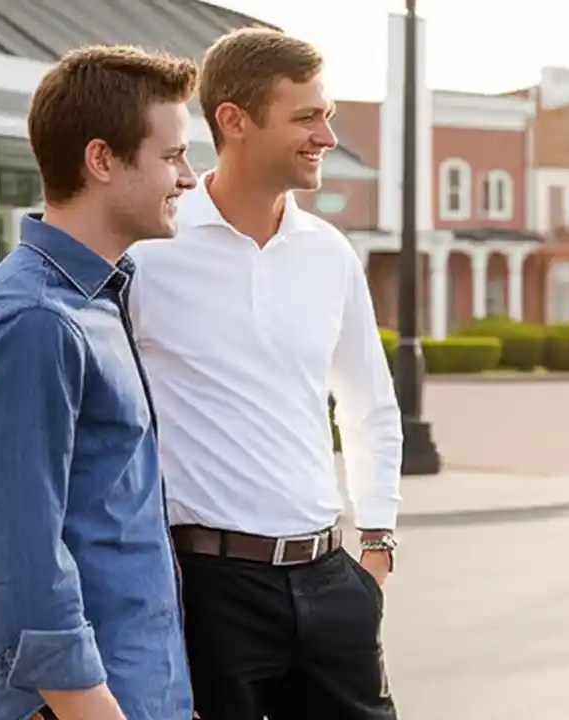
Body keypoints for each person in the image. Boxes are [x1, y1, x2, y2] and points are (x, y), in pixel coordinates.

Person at [125, 28, 402, 720]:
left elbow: (369, 404)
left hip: (331, 580)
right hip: (209, 591)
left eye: (327, 114)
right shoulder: (151, 248)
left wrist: (376, 549)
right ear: (234, 121)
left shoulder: (330, 253)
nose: (327, 136)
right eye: (307, 116)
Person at [0, 46, 198, 720]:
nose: (191, 178)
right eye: (173, 156)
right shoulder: (37, 322)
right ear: (102, 160)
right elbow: (23, 567)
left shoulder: (101, 297)